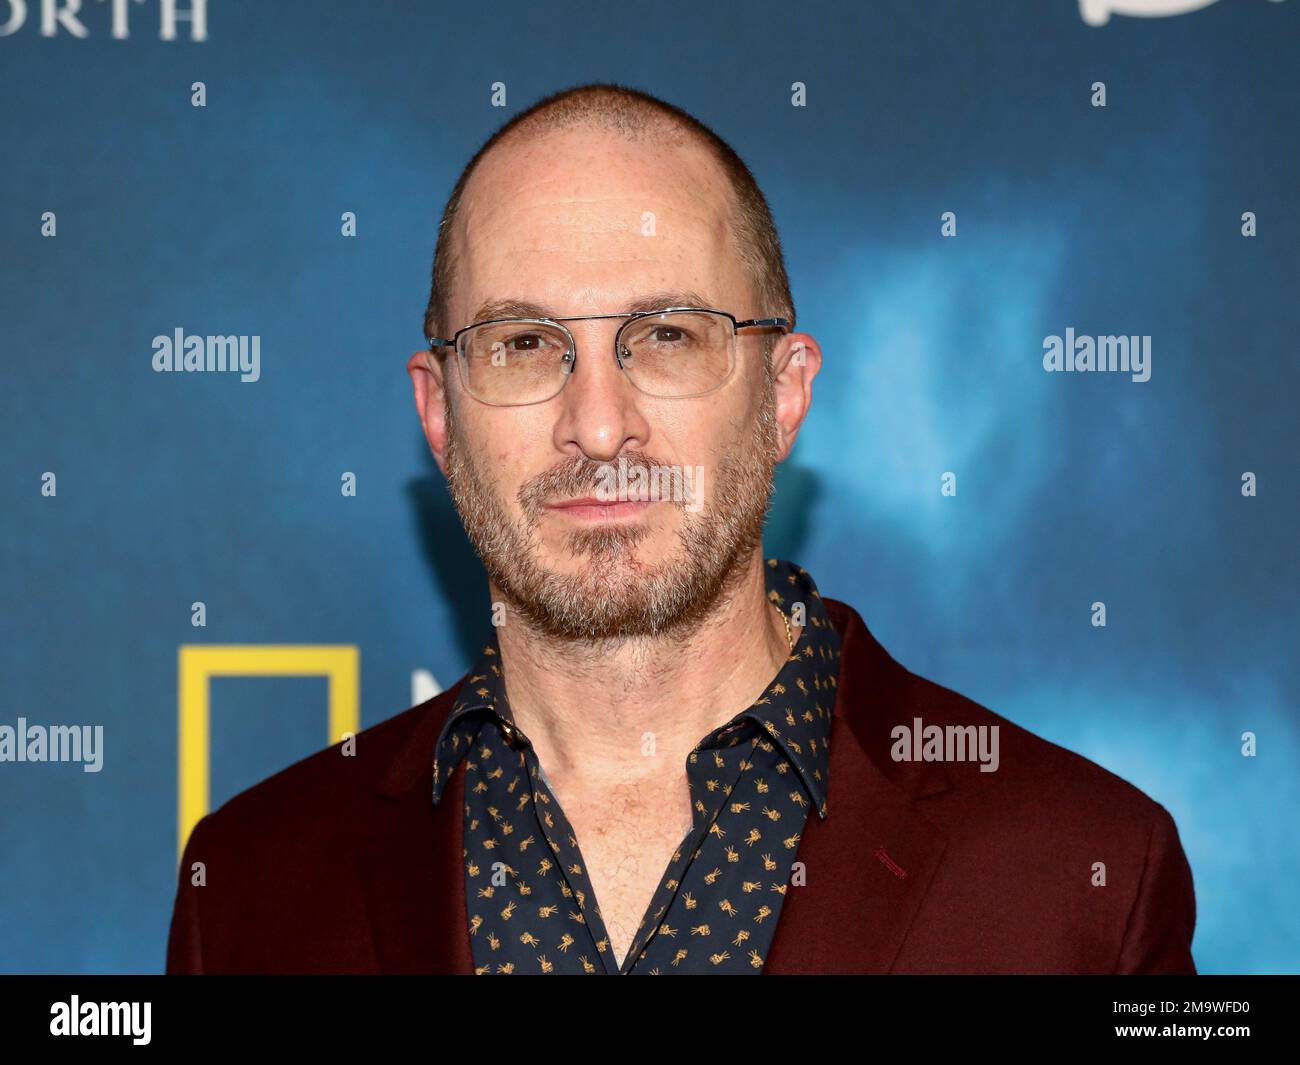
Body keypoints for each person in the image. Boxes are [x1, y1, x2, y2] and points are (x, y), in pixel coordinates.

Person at [166, 82, 1196, 975]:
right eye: (523, 344)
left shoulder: (1079, 876)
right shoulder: (252, 885)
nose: (599, 423)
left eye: (665, 336)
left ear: (784, 394)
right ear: (439, 413)